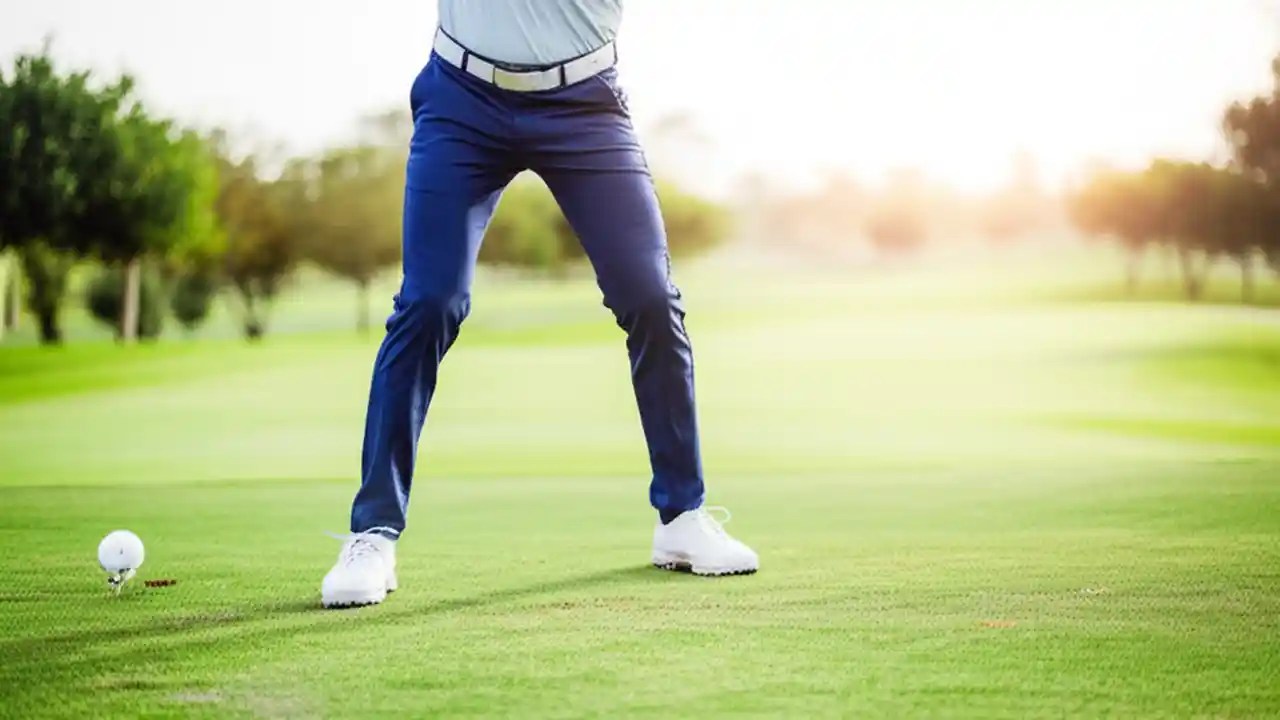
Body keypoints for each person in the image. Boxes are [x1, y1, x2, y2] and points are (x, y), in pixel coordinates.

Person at [321, 0, 758, 608]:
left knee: (651, 297)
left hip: (585, 102)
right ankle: (373, 532)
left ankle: (682, 518)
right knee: (430, 301)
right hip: (461, 98)